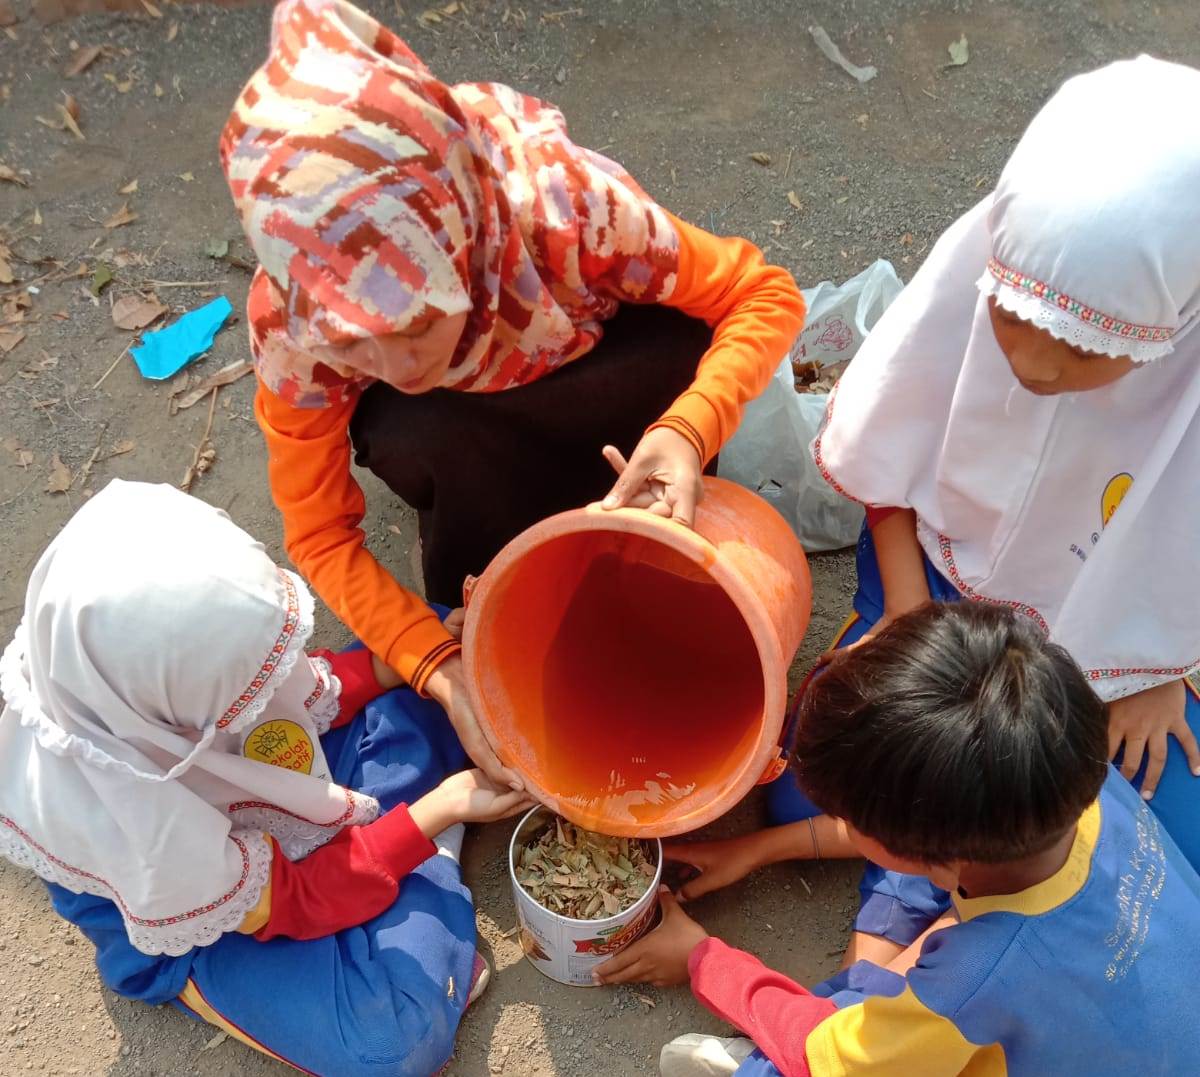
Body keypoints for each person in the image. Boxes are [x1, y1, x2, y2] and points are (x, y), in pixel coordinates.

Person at [219, 0, 806, 789]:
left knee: (683, 343)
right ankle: (506, 541)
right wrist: (435, 664)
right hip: (467, 439)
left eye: (418, 320)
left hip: (606, 374)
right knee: (413, 425)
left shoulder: (566, 213)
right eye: (353, 340)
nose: (394, 363)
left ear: (463, 240)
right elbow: (319, 534)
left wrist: (688, 431)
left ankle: (637, 475)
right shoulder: (291, 326)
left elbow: (763, 294)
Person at [762, 55, 1200, 961]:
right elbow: (891, 459)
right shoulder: (981, 274)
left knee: (1156, 833)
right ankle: (929, 899)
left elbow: (1177, 550)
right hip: (932, 580)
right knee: (817, 774)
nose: (1035, 370)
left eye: (1083, 353)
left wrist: (1155, 664)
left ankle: (926, 912)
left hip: (1107, 644)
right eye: (1011, 325)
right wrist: (908, 613)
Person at [0, 480, 532, 1077]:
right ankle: (420, 863)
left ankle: (405, 875)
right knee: (388, 1046)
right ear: (173, 709)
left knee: (435, 652)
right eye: (246, 687)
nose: (271, 682)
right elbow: (293, 901)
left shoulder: (151, 664)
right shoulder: (133, 821)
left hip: (254, 807)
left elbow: (300, 694)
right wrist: (442, 810)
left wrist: (416, 663)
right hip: (220, 914)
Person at [597, 602, 1200, 1076]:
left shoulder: (972, 984)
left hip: (1011, 1012)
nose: (844, 824)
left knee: (790, 1063)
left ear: (931, 860)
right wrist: (753, 849)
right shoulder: (1072, 777)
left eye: (852, 820)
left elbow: (817, 1056)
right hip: (1119, 1010)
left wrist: (703, 959)